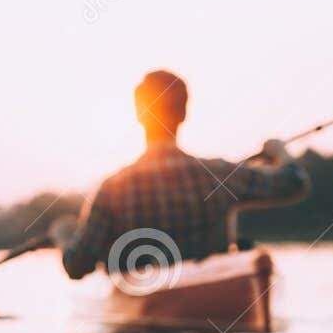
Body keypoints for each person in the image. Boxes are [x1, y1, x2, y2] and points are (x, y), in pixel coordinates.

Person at [61, 70, 309, 280]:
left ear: (139, 114)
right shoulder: (219, 175)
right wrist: (279, 152)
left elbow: (77, 265)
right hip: (212, 296)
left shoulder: (111, 189)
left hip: (141, 307)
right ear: (183, 113)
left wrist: (62, 237)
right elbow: (293, 182)